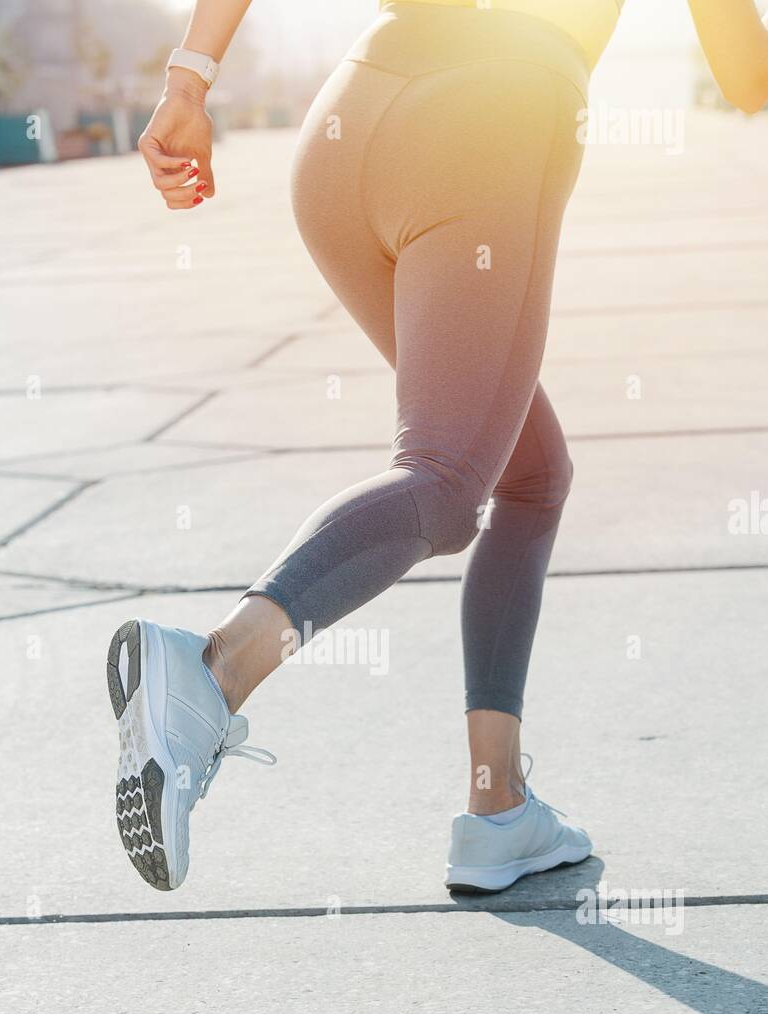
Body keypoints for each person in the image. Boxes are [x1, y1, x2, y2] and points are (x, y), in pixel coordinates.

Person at [109, 0, 768, 894]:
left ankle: (497, 809)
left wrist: (190, 78)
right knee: (449, 479)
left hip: (350, 133)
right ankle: (213, 670)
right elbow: (748, 80)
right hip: (486, 126)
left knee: (531, 474)